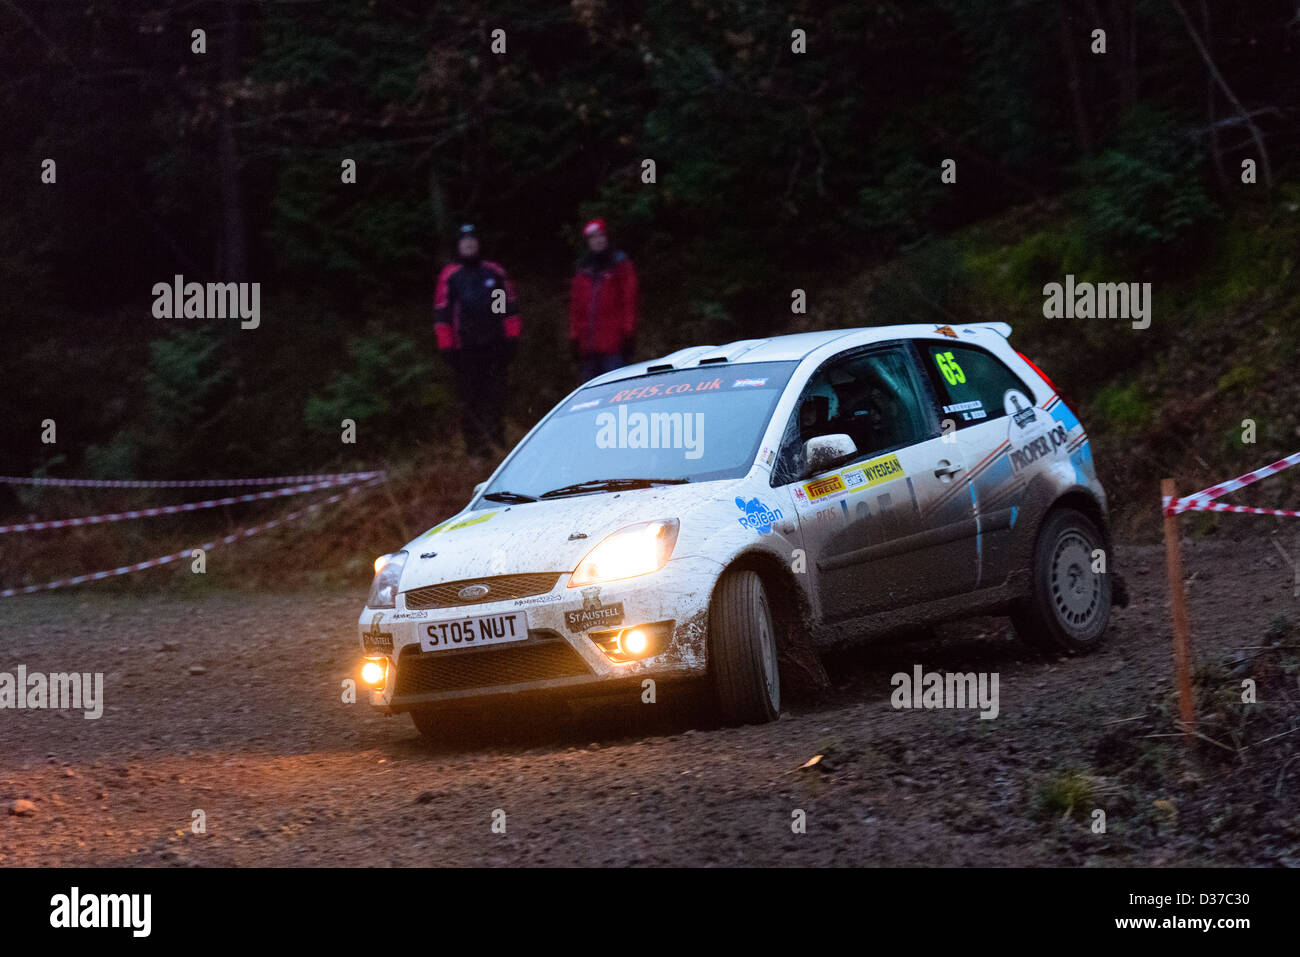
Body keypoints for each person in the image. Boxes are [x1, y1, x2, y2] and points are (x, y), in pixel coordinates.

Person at [433, 224, 521, 450]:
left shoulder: (493, 272)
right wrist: (447, 347)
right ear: (459, 246)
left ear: (478, 244)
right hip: (465, 348)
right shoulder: (451, 276)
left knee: (497, 395)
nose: (469, 244)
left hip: (494, 345)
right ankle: (475, 447)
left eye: (473, 240)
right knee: (470, 399)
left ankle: (498, 442)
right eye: (465, 241)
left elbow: (508, 308)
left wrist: (511, 338)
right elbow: (442, 314)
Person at [569, 218, 638, 382]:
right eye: (593, 237)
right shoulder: (583, 269)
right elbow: (575, 308)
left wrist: (628, 334)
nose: (598, 240)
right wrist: (574, 338)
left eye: (601, 235)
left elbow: (629, 301)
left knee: (615, 390)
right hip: (588, 347)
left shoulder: (619, 265)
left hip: (613, 345)